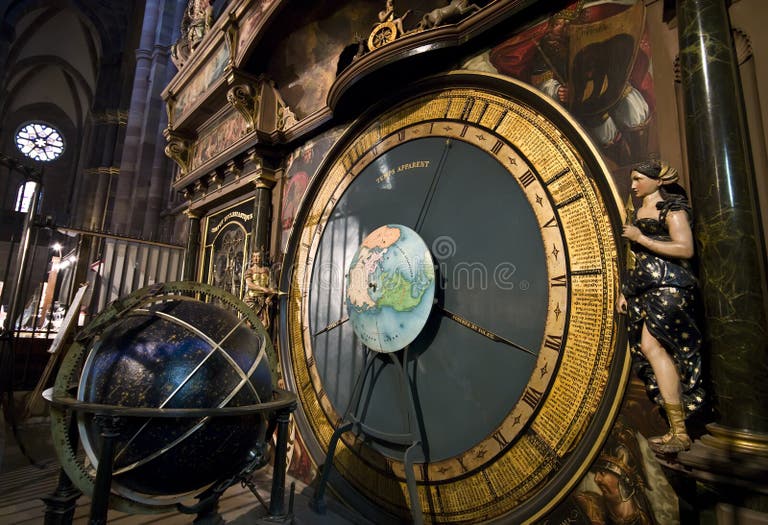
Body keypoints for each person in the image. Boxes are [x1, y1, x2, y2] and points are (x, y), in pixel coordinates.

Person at [617, 160, 704, 454]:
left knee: (657, 348)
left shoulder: (671, 210)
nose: (633, 185)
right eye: (632, 179)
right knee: (650, 350)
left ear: (658, 181)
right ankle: (676, 428)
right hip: (644, 289)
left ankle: (680, 430)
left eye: (638, 179)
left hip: (669, 287)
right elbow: (633, 258)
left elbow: (685, 248)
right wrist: (625, 291)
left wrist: (642, 237)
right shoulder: (637, 211)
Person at [244, 250, 277, 330]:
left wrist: (269, 297)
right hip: (251, 300)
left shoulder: (267, 271)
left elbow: (273, 287)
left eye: (258, 256)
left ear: (261, 258)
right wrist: (262, 288)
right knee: (250, 323)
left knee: (264, 324)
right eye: (254, 256)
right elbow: (250, 285)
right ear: (252, 258)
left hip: (261, 300)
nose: (256, 258)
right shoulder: (249, 271)